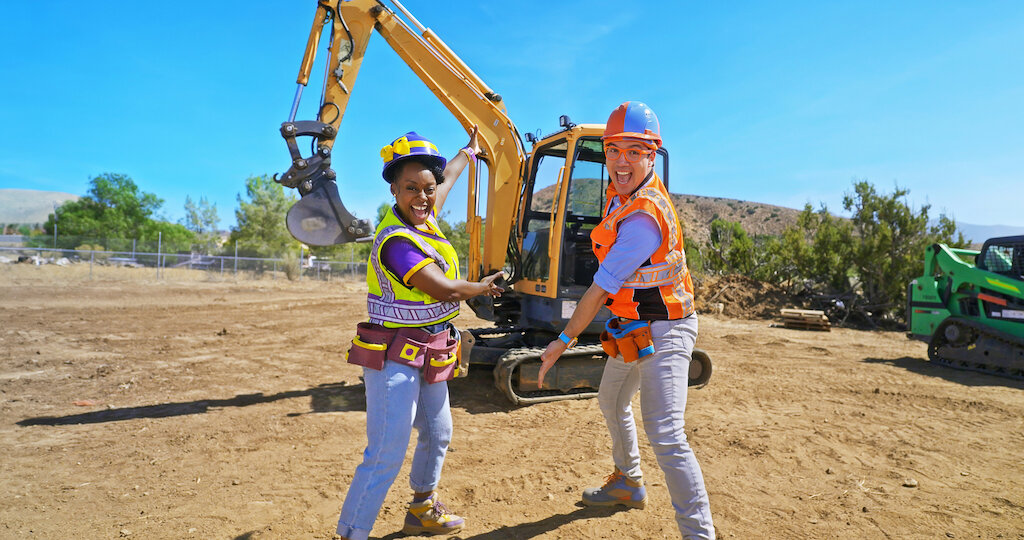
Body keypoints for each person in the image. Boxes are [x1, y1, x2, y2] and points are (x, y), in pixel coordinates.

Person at [537, 102, 715, 539]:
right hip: (635, 326)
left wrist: (562, 340)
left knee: (667, 435)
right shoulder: (625, 197)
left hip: (666, 328)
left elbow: (598, 291)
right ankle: (630, 482)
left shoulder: (642, 217)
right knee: (612, 399)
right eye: (614, 150)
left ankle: (699, 533)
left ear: (652, 155)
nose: (621, 161)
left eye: (634, 151)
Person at [336, 127, 504, 540]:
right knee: (385, 453)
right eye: (411, 188)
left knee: (438, 431)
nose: (423, 197)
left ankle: (423, 508)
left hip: (428, 350)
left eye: (427, 188)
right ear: (394, 190)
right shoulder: (397, 241)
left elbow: (445, 184)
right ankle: (352, 533)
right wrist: (484, 287)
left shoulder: (424, 216)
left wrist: (467, 152)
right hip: (393, 357)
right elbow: (443, 289)